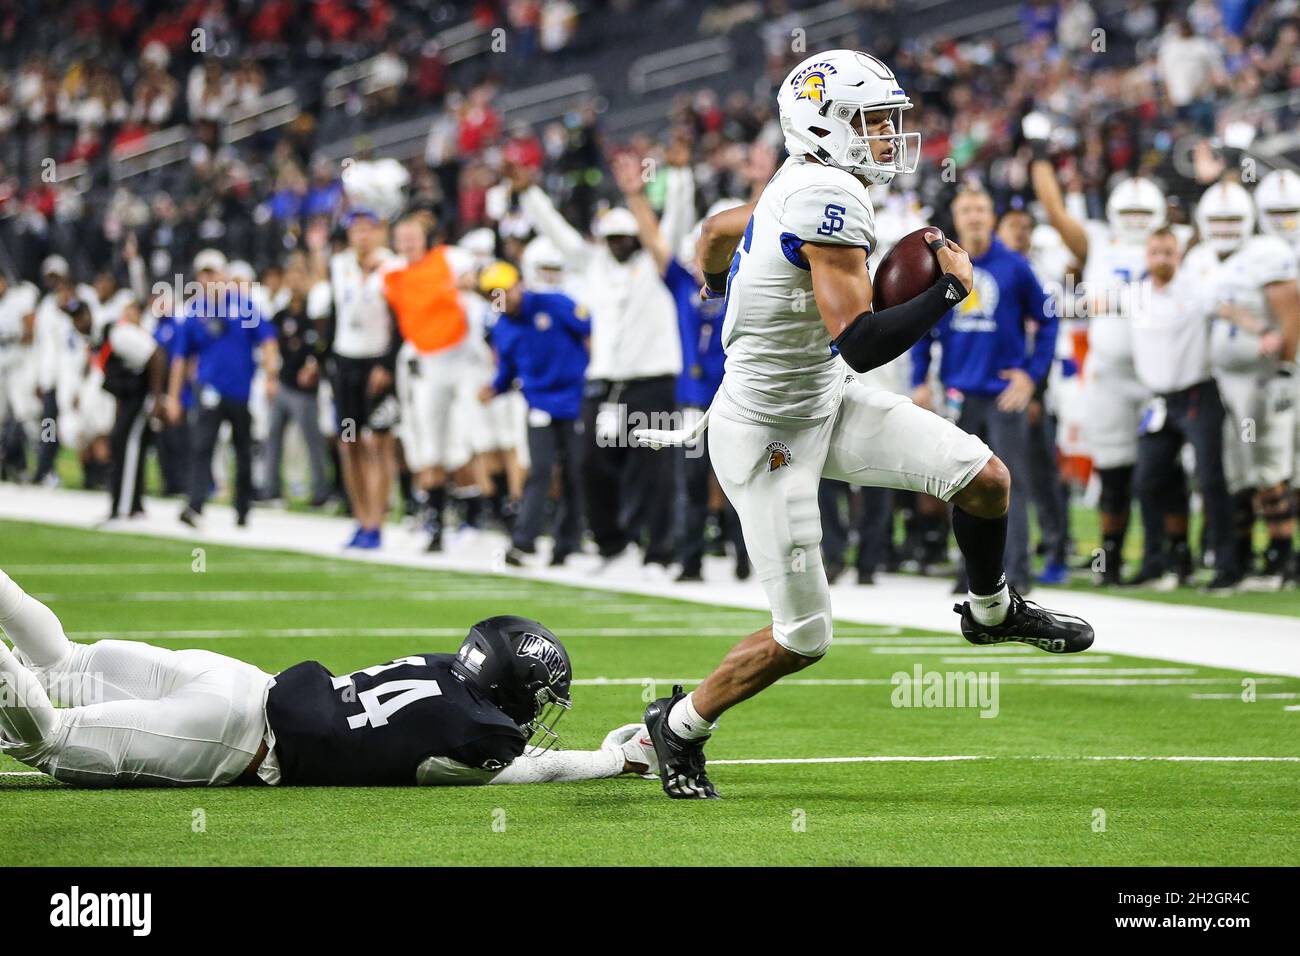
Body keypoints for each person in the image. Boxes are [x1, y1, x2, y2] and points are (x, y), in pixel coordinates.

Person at [638, 50, 1094, 800]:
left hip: (823, 397)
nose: (888, 135)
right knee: (803, 637)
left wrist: (720, 284)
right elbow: (863, 340)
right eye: (872, 120)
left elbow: (721, 230)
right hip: (766, 434)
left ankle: (990, 611)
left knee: (984, 478)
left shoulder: (802, 181)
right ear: (824, 123)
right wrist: (951, 290)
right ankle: (680, 724)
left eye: (888, 119)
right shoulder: (825, 197)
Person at [0, 569, 656, 787]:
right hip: (237, 735)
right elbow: (533, 768)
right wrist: (613, 758)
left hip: (236, 679)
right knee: (45, 739)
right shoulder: (475, 729)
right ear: (511, 689)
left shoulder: (439, 667)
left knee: (65, 662)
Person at [513, 163, 683, 574]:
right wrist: (528, 194)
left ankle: (658, 552)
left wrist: (679, 176)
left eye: (625, 238)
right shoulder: (594, 266)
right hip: (605, 385)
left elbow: (674, 223)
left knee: (654, 469)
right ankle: (612, 545)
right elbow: (558, 233)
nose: (618, 245)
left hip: (653, 382)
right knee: (591, 463)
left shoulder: (658, 267)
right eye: (611, 239)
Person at [1028, 119, 1177, 586]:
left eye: (1142, 211)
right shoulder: (1096, 242)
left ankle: (1168, 556)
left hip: (1162, 375)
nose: (1134, 219)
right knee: (1113, 467)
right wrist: (1038, 159)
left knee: (1162, 473)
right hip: (1110, 370)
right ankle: (1111, 559)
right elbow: (1053, 211)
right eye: (1127, 210)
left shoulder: (1177, 244)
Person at [611, 149, 752, 582]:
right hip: (694, 399)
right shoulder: (682, 283)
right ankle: (691, 559)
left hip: (739, 398)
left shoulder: (747, 279)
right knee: (690, 482)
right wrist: (636, 197)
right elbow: (654, 242)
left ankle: (747, 559)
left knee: (741, 484)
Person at [911, 186, 1057, 594]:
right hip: (959, 393)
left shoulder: (1014, 266)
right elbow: (923, 328)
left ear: (991, 216)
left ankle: (1018, 574)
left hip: (1003, 394)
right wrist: (920, 380)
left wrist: (1031, 376)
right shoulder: (942, 268)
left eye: (980, 209)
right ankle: (970, 574)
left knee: (1013, 484)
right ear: (955, 218)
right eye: (966, 209)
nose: (974, 216)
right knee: (961, 485)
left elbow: (1048, 320)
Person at [1186, 179, 1299, 591]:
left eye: (1234, 218)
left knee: (1269, 466)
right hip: (1220, 380)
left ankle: (1282, 559)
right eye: (1218, 218)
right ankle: (1244, 555)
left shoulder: (1266, 252)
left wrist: (1287, 369)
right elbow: (1210, 307)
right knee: (1235, 471)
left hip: (1262, 377)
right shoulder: (1199, 257)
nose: (1227, 226)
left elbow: (1291, 310)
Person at [1129, 228, 1238, 591]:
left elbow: (1225, 309)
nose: (1161, 259)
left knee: (1210, 479)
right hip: (1159, 400)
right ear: (1147, 255)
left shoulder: (1196, 288)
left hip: (1197, 395)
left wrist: (1262, 330)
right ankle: (1158, 560)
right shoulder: (1136, 294)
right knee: (1148, 479)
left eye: (1167, 252)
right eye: (1155, 252)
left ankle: (1227, 564)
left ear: (1178, 256)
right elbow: (1092, 304)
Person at [478, 261, 589, 566]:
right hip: (539, 403)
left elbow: (590, 331)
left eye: (505, 289)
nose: (503, 297)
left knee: (575, 471)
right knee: (540, 470)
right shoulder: (502, 327)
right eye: (494, 294)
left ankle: (567, 543)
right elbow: (508, 370)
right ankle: (524, 541)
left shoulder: (555, 303)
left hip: (574, 399)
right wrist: (494, 389)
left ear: (519, 284)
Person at [166, 249, 280, 529]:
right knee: (202, 446)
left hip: (241, 391)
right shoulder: (195, 312)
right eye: (203, 274)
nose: (208, 279)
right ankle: (195, 505)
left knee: (243, 449)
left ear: (224, 275)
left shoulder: (244, 305)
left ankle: (242, 507)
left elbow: (267, 340)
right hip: (208, 389)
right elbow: (181, 358)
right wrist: (173, 396)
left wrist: (271, 375)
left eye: (213, 272)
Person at [384, 212, 477, 552]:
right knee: (432, 447)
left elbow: (477, 279)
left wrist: (472, 283)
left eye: (413, 235)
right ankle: (436, 522)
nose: (407, 242)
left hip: (465, 359)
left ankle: (477, 514)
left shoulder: (449, 258)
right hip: (428, 364)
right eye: (402, 236)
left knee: (471, 439)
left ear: (427, 237)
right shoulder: (392, 273)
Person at [313, 207, 402, 550]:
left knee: (378, 443)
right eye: (356, 230)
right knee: (348, 443)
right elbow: (335, 315)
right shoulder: (340, 265)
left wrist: (388, 365)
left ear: (379, 231)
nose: (362, 236)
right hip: (346, 364)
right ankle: (360, 518)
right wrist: (322, 360)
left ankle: (377, 522)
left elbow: (399, 321)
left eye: (368, 229)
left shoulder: (392, 267)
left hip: (376, 365)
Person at [262, 253, 331, 507]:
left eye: (299, 275)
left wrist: (314, 366)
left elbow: (324, 344)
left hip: (305, 389)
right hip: (282, 383)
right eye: (290, 275)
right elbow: (268, 344)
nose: (294, 280)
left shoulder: (316, 312)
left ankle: (322, 491)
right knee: (273, 438)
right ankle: (271, 490)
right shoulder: (280, 314)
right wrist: (270, 376)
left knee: (312, 441)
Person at [89, 299, 167, 521]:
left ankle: (123, 508)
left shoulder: (118, 334)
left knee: (127, 446)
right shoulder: (106, 339)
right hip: (132, 398)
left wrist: (156, 397)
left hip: (142, 397)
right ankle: (133, 505)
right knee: (125, 444)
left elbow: (156, 356)